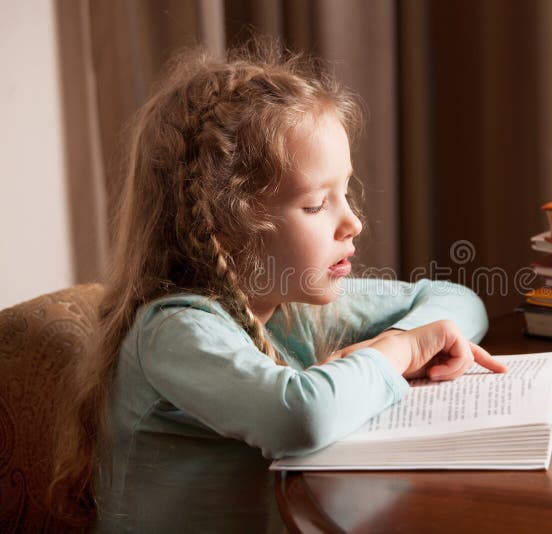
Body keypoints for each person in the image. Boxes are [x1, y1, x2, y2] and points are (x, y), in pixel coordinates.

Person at [50, 40, 506, 533]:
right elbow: (299, 416)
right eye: (315, 205)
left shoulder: (289, 300)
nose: (353, 221)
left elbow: (460, 301)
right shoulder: (173, 331)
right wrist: (399, 349)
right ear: (226, 223)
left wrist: (401, 345)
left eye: (346, 191)